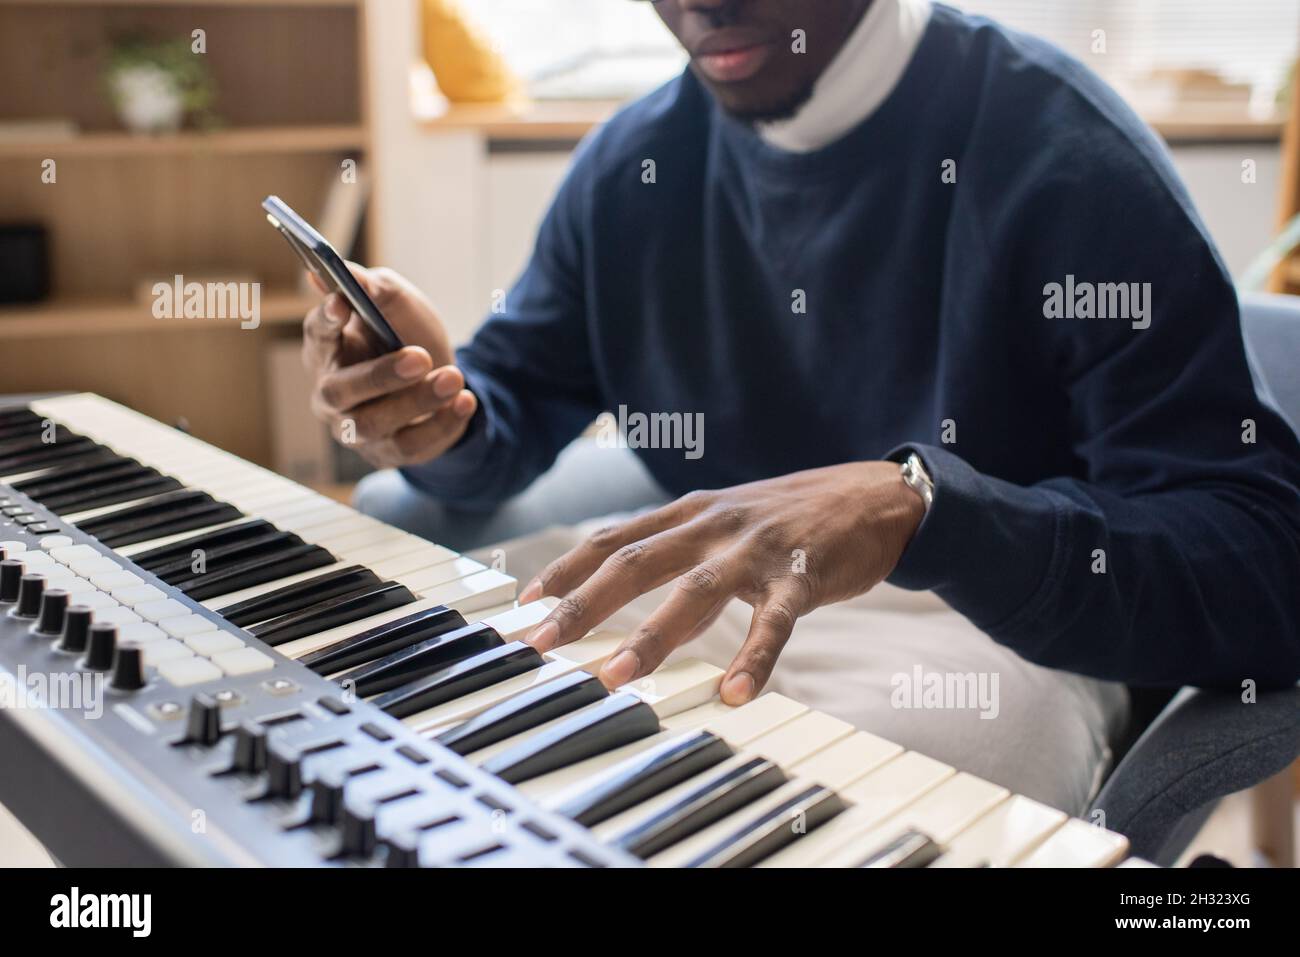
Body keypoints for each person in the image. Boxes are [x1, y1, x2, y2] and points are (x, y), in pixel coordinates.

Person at [300, 0, 1300, 812]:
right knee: (387, 714)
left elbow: (1264, 563)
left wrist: (928, 513)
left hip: (979, 636)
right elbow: (509, 424)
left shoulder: (1063, 157)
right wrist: (441, 407)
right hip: (691, 579)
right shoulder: (632, 168)